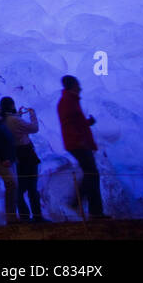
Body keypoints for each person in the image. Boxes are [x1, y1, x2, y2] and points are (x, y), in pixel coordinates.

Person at [58, 76, 108, 219]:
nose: (80, 88)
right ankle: (76, 203)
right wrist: (80, 139)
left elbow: (75, 122)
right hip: (78, 143)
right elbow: (70, 124)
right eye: (78, 85)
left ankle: (95, 211)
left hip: (78, 142)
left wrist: (87, 123)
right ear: (73, 86)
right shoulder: (68, 101)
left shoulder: (70, 100)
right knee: (91, 173)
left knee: (92, 174)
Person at [1, 97, 44, 222]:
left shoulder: (4, 120)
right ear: (11, 105)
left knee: (20, 187)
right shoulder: (14, 120)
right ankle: (37, 216)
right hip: (26, 154)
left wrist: (18, 115)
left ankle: (24, 215)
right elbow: (34, 128)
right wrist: (32, 114)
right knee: (32, 187)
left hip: (16, 155)